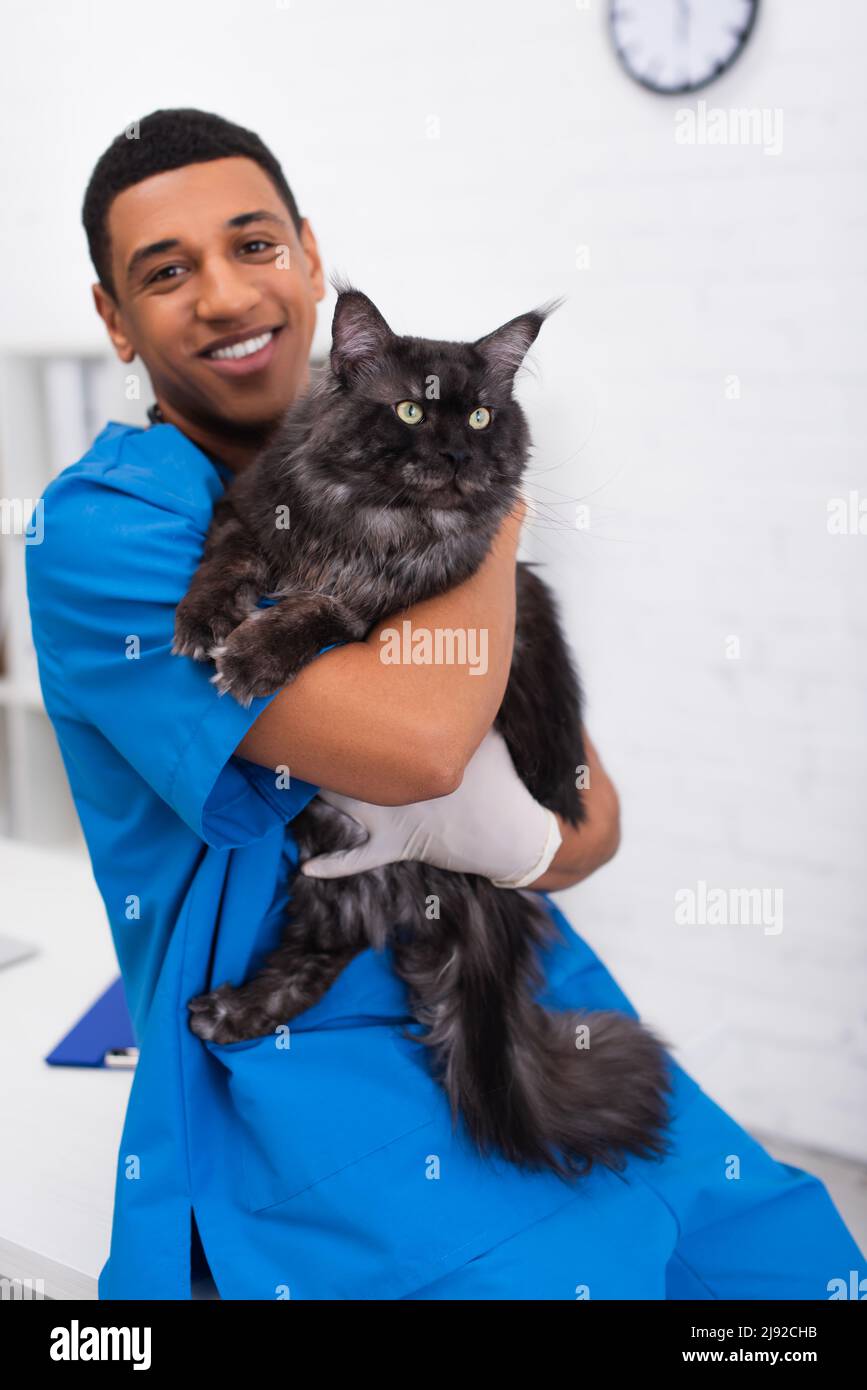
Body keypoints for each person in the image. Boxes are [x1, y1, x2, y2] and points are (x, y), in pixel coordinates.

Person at [25, 108, 864, 1300]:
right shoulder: (106, 527)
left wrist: (468, 519)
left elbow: (587, 831)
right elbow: (422, 747)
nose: (222, 294)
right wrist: (488, 514)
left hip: (509, 981)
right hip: (299, 1061)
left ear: (310, 260)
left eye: (253, 245)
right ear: (115, 318)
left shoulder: (403, 457)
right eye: (165, 271)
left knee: (787, 1262)